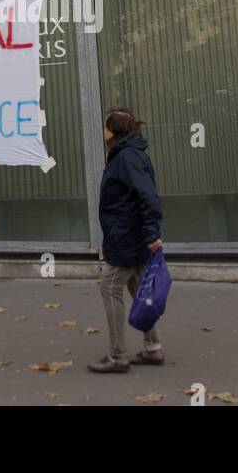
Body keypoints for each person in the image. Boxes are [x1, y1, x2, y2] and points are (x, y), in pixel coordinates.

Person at [88, 108, 164, 373]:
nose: (102, 130)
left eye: (104, 126)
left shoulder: (126, 158)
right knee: (140, 290)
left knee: (109, 287)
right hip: (133, 235)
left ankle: (117, 355)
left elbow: (148, 196)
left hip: (127, 237)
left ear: (113, 131)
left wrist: (152, 231)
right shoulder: (128, 153)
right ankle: (153, 349)